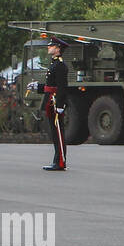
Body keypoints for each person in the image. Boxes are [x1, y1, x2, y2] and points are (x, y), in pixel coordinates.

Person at [31, 37, 70, 171]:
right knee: (54, 132)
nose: (49, 47)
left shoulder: (60, 65)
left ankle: (60, 161)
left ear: (58, 48)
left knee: (58, 132)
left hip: (55, 101)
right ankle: (57, 159)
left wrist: (60, 105)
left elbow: (62, 87)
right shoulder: (54, 63)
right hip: (50, 99)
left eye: (52, 46)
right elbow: (50, 86)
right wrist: (37, 87)